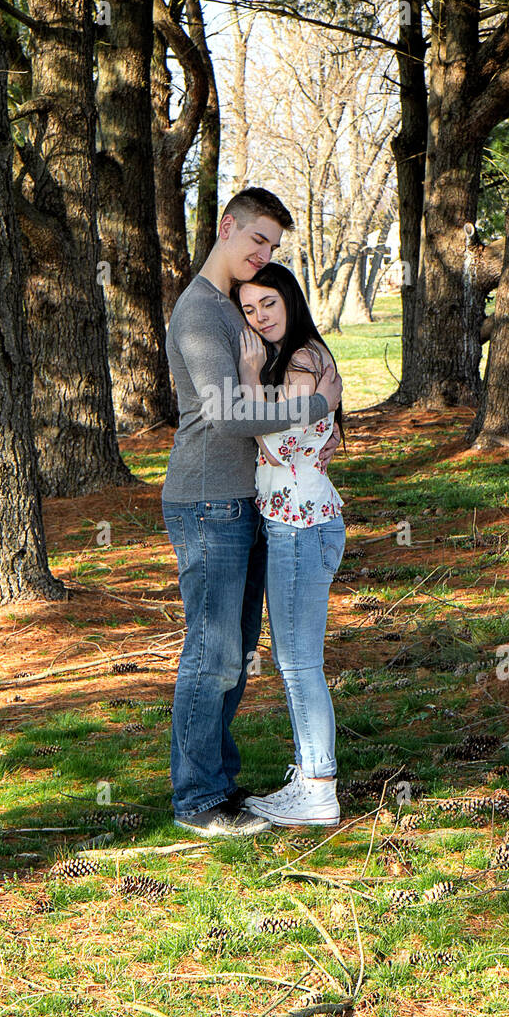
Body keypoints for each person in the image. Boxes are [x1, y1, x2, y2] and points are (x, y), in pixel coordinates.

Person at [162, 187, 343, 836]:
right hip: (207, 499)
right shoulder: (200, 313)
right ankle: (198, 800)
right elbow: (227, 413)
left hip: (251, 500)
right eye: (257, 239)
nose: (263, 254)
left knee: (233, 654)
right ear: (226, 226)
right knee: (211, 654)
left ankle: (218, 781)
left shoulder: (237, 303)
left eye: (273, 247)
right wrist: (316, 406)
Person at [230, 263, 346, 826]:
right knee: (294, 660)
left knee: (298, 663)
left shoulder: (301, 359)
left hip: (300, 526)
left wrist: (250, 373)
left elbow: (275, 427)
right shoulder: (303, 358)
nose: (260, 317)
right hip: (298, 519)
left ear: (290, 299)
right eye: (249, 310)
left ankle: (318, 787)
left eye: (268, 304)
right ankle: (308, 776)